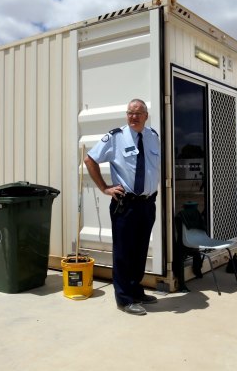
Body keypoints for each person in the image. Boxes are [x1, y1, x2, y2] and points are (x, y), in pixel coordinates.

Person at [84, 99, 160, 316]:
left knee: (140, 251)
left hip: (147, 204)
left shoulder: (153, 136)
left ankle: (136, 291)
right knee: (124, 253)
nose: (133, 117)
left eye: (138, 113)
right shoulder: (116, 137)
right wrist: (104, 188)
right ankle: (124, 299)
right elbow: (90, 160)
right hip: (125, 205)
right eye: (130, 113)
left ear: (146, 115)